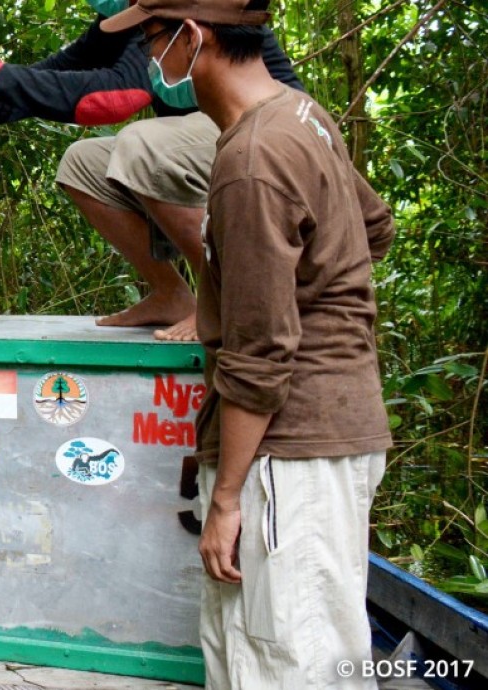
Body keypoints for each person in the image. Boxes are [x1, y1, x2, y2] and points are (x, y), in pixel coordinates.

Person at [100, 0, 395, 686]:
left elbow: (259, 353)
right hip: (334, 432)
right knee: (266, 645)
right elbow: (372, 227)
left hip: (287, 454)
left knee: (287, 661)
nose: (147, 60)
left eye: (151, 39)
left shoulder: (253, 158)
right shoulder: (305, 115)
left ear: (193, 37)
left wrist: (227, 499)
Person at [0, 0, 302, 340]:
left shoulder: (170, 8)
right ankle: (171, 295)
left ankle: (219, 301)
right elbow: (61, 70)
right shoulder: (125, 20)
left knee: (143, 144)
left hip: (268, 133)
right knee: (83, 164)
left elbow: (116, 97)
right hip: (208, 140)